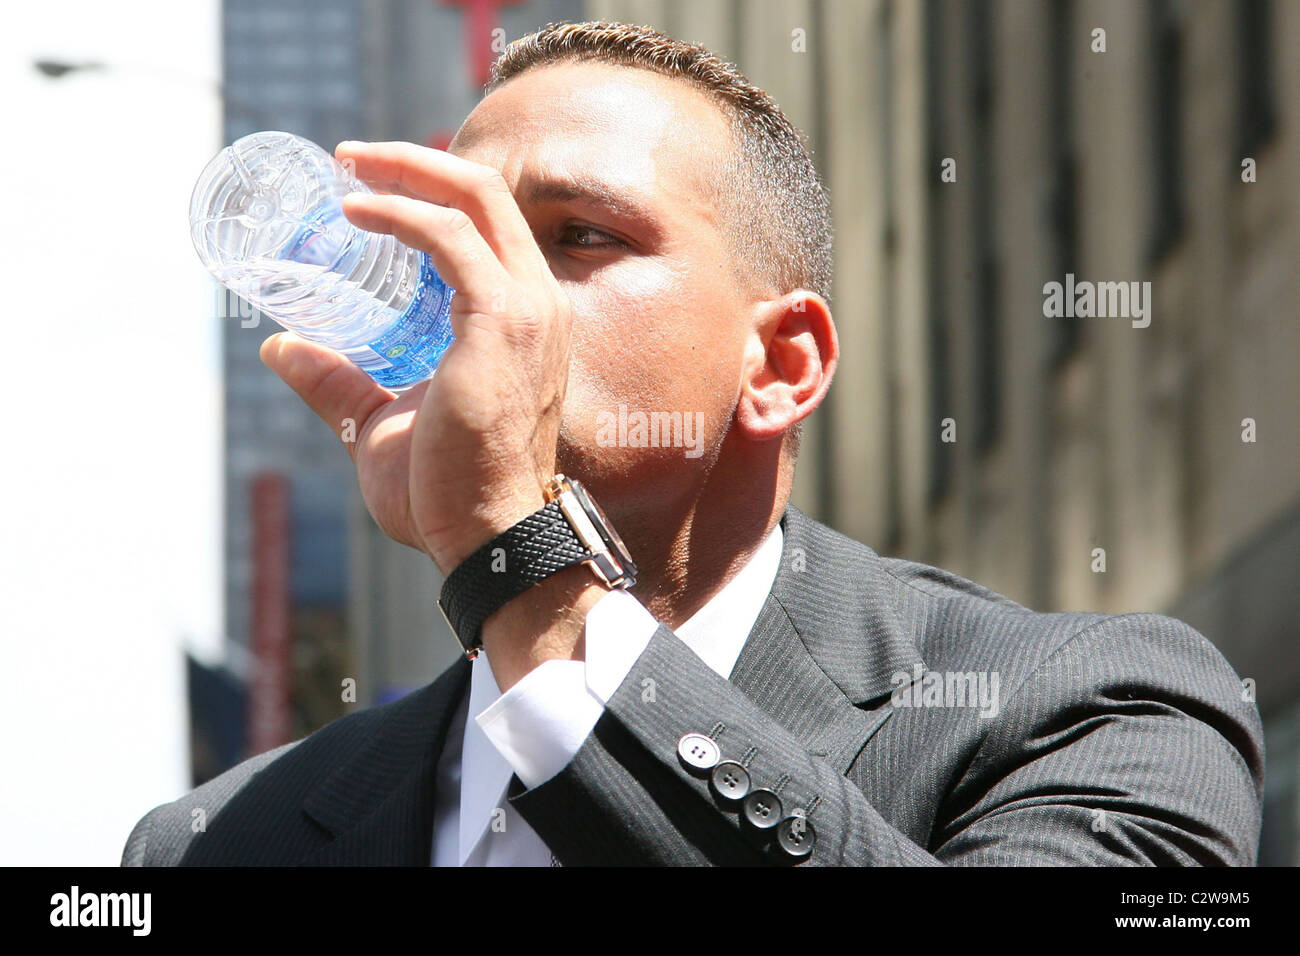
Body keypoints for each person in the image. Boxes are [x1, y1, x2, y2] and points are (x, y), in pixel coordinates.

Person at [122, 20, 1263, 866]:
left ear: (779, 364)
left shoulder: (1095, 711)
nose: (487, 293)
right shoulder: (215, 840)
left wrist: (524, 569)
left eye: (576, 236)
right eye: (460, 241)